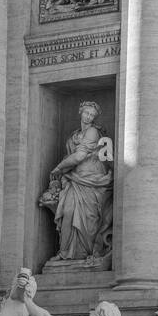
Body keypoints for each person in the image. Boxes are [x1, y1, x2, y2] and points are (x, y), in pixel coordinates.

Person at [40, 101, 113, 264]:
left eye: (92, 115)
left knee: (89, 217)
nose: (89, 117)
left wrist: (58, 168)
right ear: (80, 112)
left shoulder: (93, 132)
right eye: (86, 113)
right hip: (75, 179)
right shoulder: (75, 134)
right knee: (68, 211)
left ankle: (86, 252)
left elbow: (79, 157)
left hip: (91, 180)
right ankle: (66, 252)